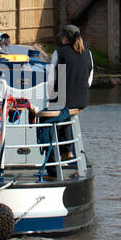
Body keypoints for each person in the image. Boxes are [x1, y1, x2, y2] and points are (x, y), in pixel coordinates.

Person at [43, 24, 93, 175]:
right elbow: (89, 80)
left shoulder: (60, 52)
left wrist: (51, 99)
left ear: (65, 38)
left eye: (62, 37)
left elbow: (51, 80)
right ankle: (68, 151)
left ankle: (52, 167)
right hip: (82, 100)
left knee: (45, 123)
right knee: (64, 116)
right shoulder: (88, 53)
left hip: (63, 100)